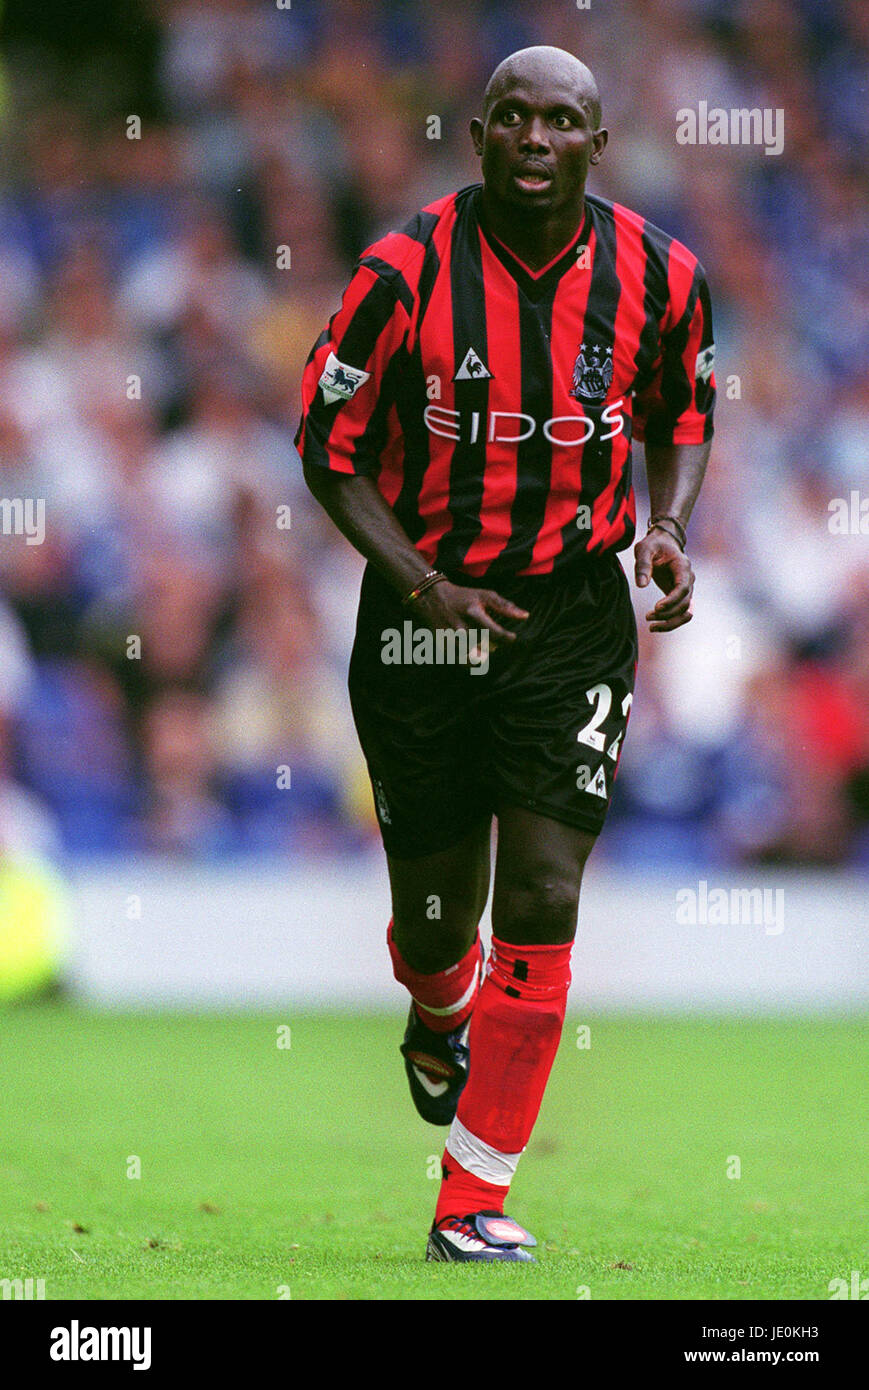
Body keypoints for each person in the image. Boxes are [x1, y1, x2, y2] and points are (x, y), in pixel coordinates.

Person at [296, 45, 715, 1263]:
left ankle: (469, 1197)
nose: (536, 140)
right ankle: (438, 1008)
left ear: (598, 142)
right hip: (424, 615)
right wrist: (422, 581)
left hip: (571, 616)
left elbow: (682, 411)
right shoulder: (402, 271)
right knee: (438, 920)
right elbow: (325, 443)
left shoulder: (663, 274)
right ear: (476, 138)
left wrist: (669, 527)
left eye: (562, 121)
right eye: (513, 119)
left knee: (542, 890)